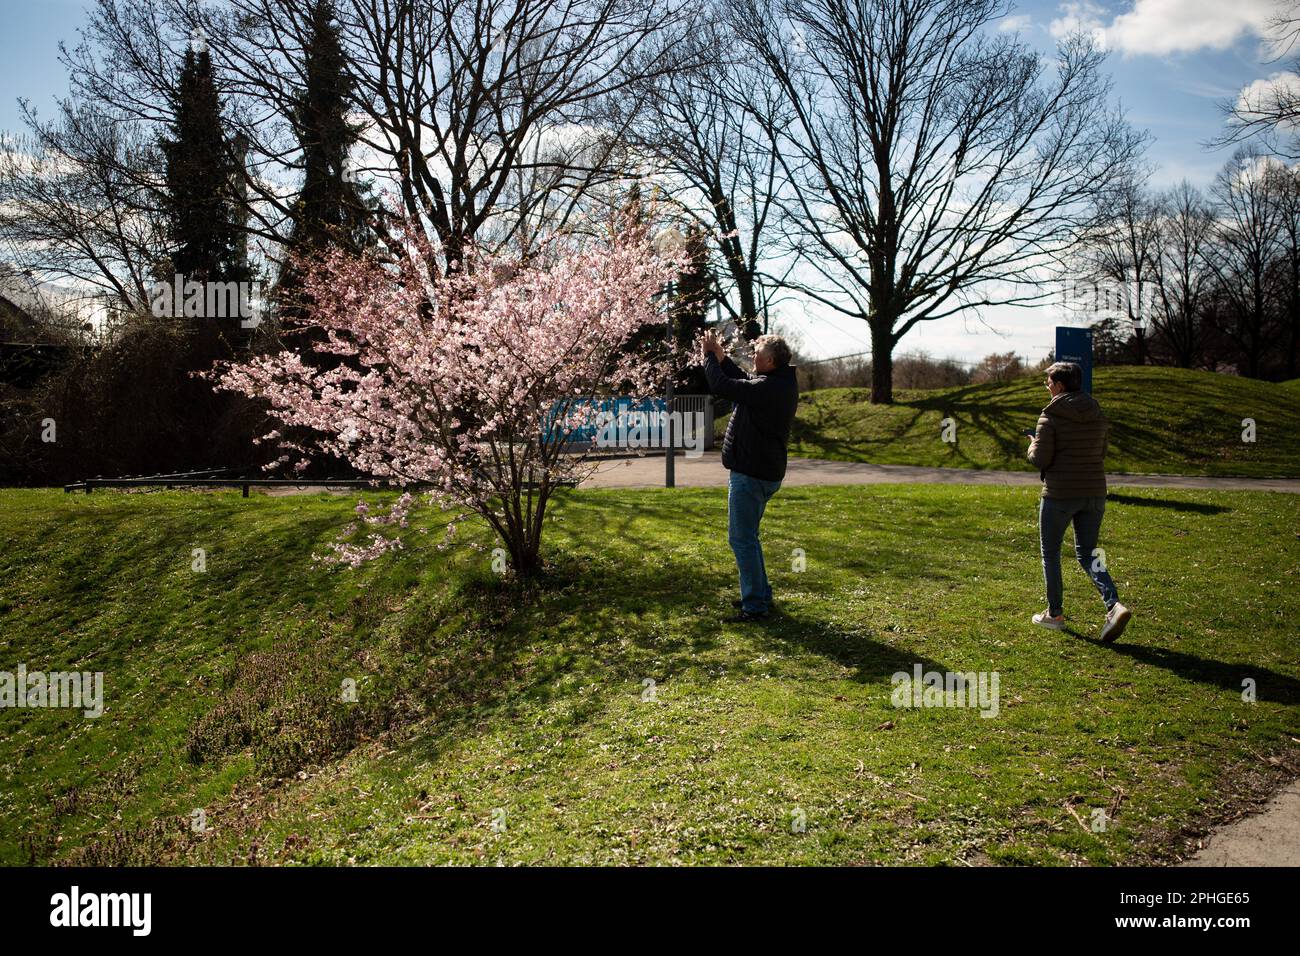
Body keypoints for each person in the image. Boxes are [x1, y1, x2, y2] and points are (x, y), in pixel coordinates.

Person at [1027, 361, 1132, 643]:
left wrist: (1031, 444)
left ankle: (1055, 614)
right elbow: (1103, 451)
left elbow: (1040, 458)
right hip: (1094, 491)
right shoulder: (1097, 413)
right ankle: (1113, 604)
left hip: (1060, 492)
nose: (1047, 388)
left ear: (1059, 386)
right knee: (1088, 553)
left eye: (1049, 384)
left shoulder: (1050, 417)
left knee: (1050, 553)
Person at [701, 330, 799, 622]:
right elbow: (744, 382)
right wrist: (722, 357)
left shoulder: (769, 388)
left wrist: (709, 356)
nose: (752, 357)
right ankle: (760, 593)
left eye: (757, 354)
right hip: (762, 472)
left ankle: (755, 605)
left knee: (741, 540)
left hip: (751, 475)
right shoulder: (778, 383)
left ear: (769, 361)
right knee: (749, 539)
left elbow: (724, 386)